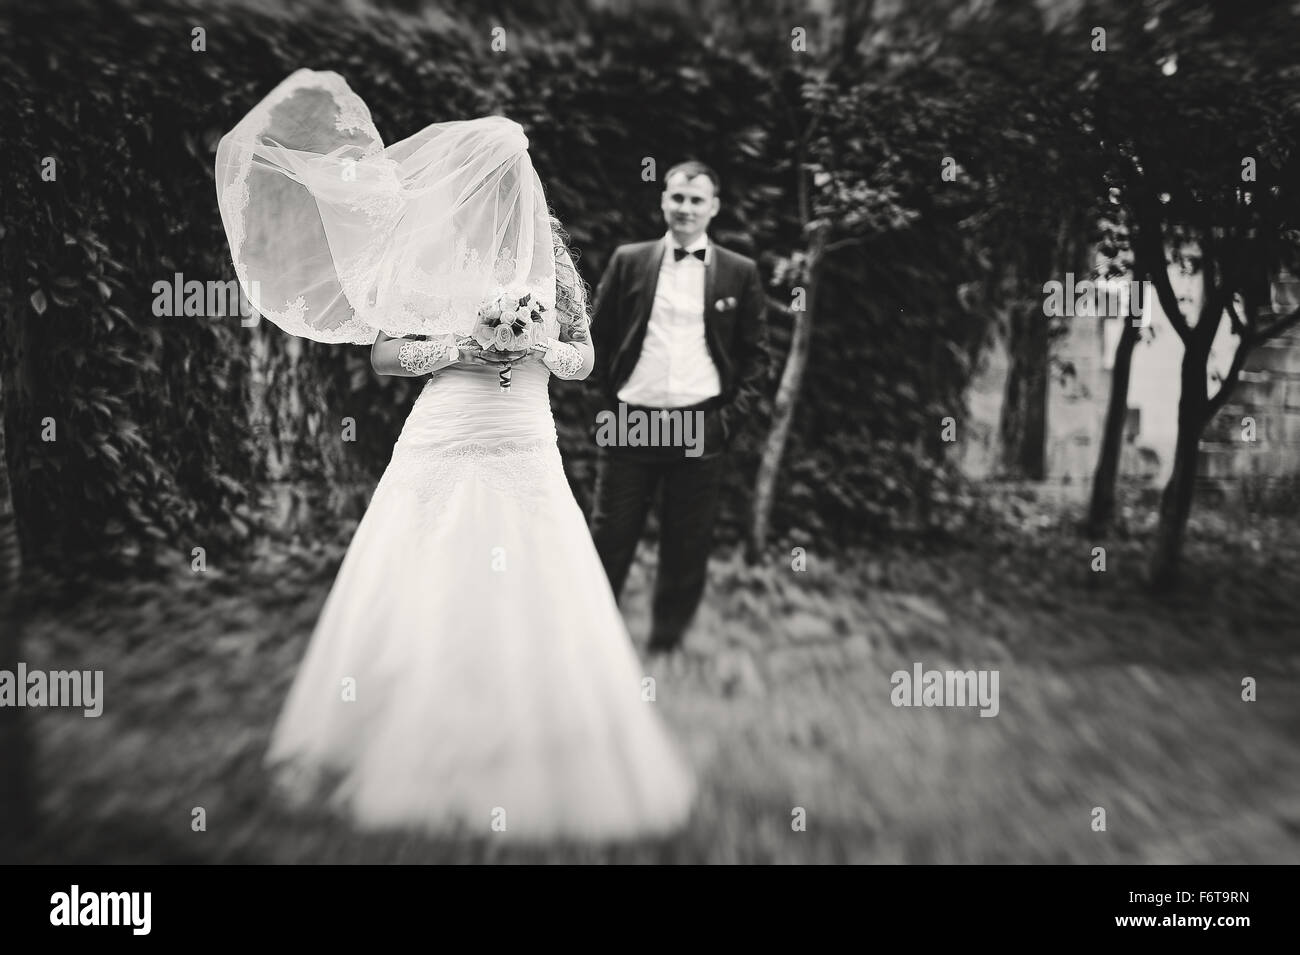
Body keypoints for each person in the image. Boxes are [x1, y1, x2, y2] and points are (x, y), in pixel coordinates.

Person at [215, 69, 694, 842]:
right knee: (421, 568)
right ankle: (390, 738)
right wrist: (461, 345)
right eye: (505, 175)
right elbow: (385, 357)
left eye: (517, 175)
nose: (514, 186)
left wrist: (542, 345)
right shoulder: (432, 255)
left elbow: (585, 356)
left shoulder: (554, 257)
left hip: (524, 435)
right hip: (447, 427)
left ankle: (536, 749)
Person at [588, 162, 769, 656]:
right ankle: (593, 643)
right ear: (663, 201)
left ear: (713, 207)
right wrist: (609, 402)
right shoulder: (629, 260)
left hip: (700, 422)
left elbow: (756, 357)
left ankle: (666, 643)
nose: (685, 208)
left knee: (686, 542)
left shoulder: (740, 271)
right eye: (677, 198)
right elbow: (597, 340)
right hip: (631, 421)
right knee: (611, 535)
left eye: (696, 200)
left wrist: (726, 422)